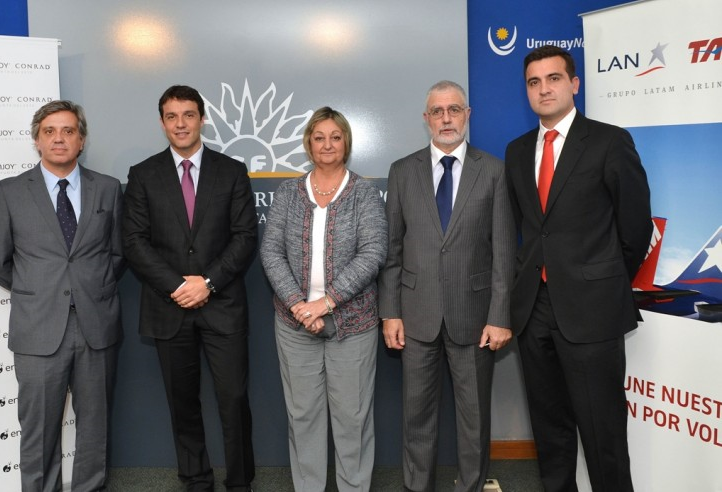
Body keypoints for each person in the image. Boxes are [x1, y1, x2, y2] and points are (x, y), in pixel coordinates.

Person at [504, 46, 652, 492]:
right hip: (535, 312)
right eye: (534, 82)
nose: (544, 89)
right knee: (550, 434)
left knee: (603, 435)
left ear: (574, 84)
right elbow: (524, 231)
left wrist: (598, 281)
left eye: (553, 78)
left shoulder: (609, 141)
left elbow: (635, 229)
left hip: (593, 311)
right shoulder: (516, 152)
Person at [378, 81, 516, 492]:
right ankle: (416, 487)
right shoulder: (403, 171)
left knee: (474, 418)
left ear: (467, 114)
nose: (445, 118)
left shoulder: (493, 171)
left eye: (453, 109)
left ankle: (470, 486)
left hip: (474, 318)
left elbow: (504, 251)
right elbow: (392, 250)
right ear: (426, 119)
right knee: (416, 416)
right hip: (415, 315)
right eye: (437, 112)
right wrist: (390, 312)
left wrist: (499, 316)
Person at [0, 100, 125, 492]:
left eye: (68, 131)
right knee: (38, 433)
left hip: (96, 326)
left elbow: (116, 255)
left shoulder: (108, 189)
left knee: (95, 431)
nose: (59, 138)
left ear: (81, 140)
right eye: (50, 132)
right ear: (37, 141)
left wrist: (87, 288)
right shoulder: (10, 192)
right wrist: (40, 290)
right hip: (38, 328)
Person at [122, 85, 257, 492]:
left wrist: (209, 283)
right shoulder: (142, 174)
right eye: (171, 116)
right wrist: (179, 286)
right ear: (162, 122)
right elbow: (133, 242)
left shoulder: (231, 170)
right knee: (183, 405)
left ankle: (239, 483)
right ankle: (195, 480)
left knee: (233, 402)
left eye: (188, 115)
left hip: (223, 307)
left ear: (202, 118)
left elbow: (245, 237)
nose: (180, 124)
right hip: (169, 307)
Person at [260, 107, 387, 491]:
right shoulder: (288, 192)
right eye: (319, 137)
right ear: (308, 143)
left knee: (352, 416)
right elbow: (271, 252)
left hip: (353, 325)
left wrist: (326, 303)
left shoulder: (363, 193)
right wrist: (300, 305)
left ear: (346, 141)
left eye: (335, 136)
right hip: (294, 324)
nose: (327, 144)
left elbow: (373, 252)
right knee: (303, 417)